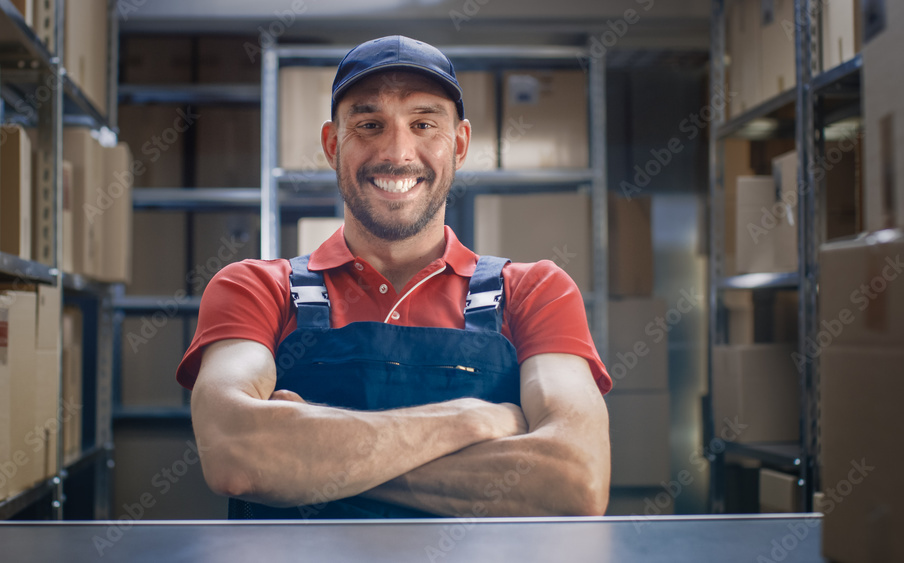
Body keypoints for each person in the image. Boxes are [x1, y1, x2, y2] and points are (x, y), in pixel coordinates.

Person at [176, 35, 613, 519]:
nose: (397, 151)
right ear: (331, 144)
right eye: (369, 125)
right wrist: (468, 421)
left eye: (424, 123)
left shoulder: (534, 292)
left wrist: (310, 463)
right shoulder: (256, 289)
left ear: (460, 144)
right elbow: (236, 456)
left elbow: (577, 481)